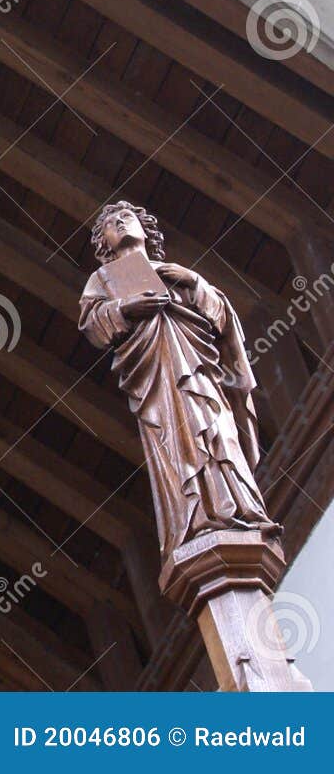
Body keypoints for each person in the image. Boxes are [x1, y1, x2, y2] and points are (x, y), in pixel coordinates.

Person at [79, 200, 276, 558]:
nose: (121, 224)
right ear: (103, 243)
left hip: (200, 371)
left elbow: (224, 322)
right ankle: (196, 517)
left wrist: (195, 282)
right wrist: (126, 309)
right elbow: (92, 323)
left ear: (145, 227)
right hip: (157, 380)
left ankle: (240, 509)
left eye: (127, 218)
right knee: (174, 440)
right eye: (112, 223)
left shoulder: (176, 272)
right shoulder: (103, 280)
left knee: (216, 429)